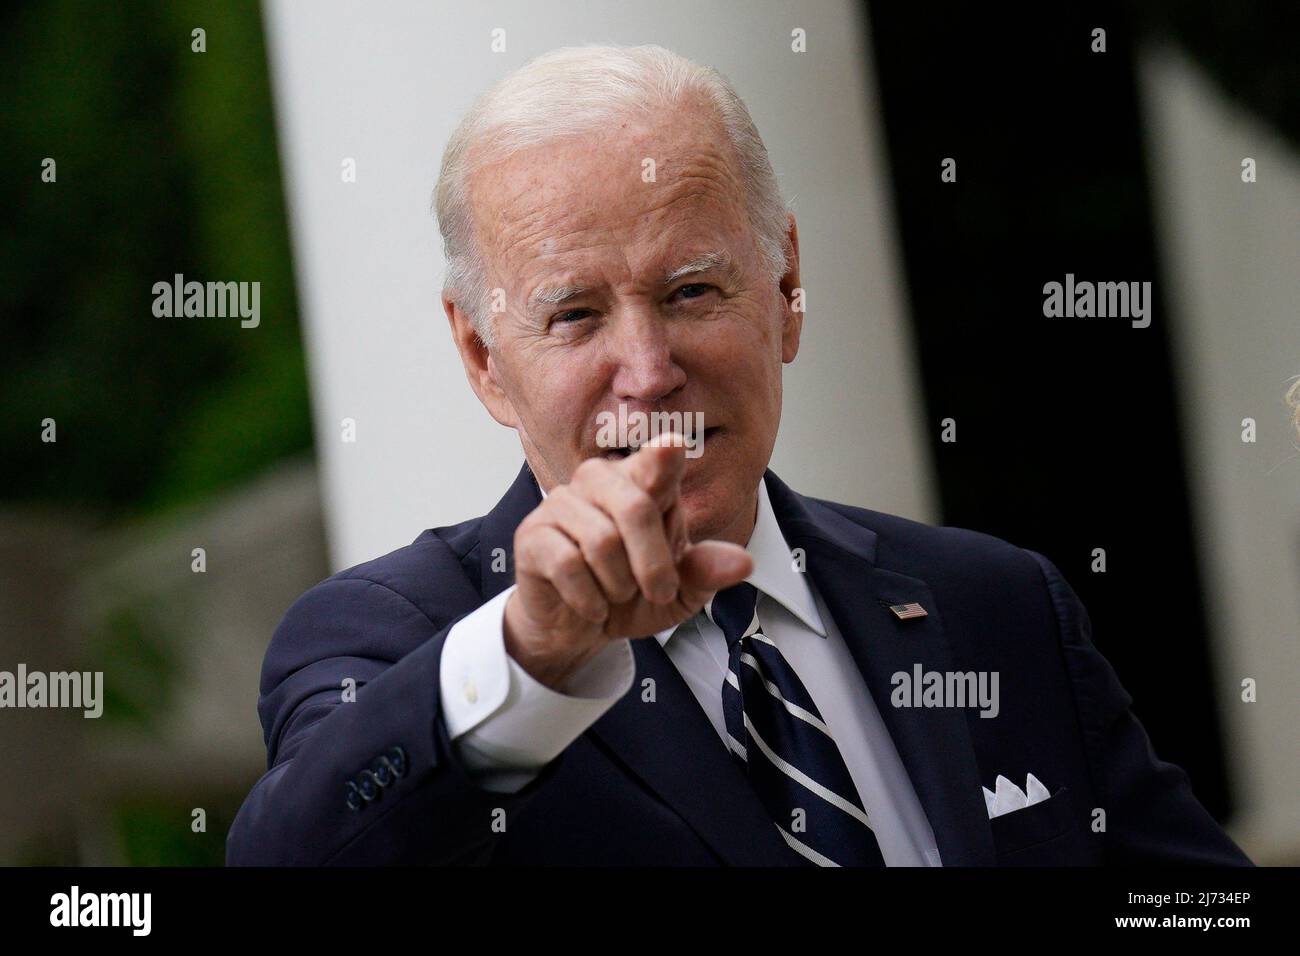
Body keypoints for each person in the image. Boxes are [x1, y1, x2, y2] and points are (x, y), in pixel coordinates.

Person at [226, 44, 1251, 866]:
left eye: (690, 291)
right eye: (576, 314)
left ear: (786, 286)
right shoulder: (394, 637)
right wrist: (531, 655)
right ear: (484, 356)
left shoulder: (995, 604)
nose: (648, 368)